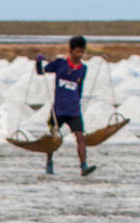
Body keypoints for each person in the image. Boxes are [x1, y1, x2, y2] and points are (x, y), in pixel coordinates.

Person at [36, 35, 96, 177]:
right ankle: (49, 164)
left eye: (82, 52)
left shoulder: (83, 68)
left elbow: (79, 88)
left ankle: (83, 166)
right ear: (71, 50)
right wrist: (38, 62)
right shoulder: (60, 64)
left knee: (80, 137)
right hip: (58, 109)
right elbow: (41, 71)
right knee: (53, 138)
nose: (80, 55)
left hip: (74, 110)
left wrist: (78, 101)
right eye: (78, 51)